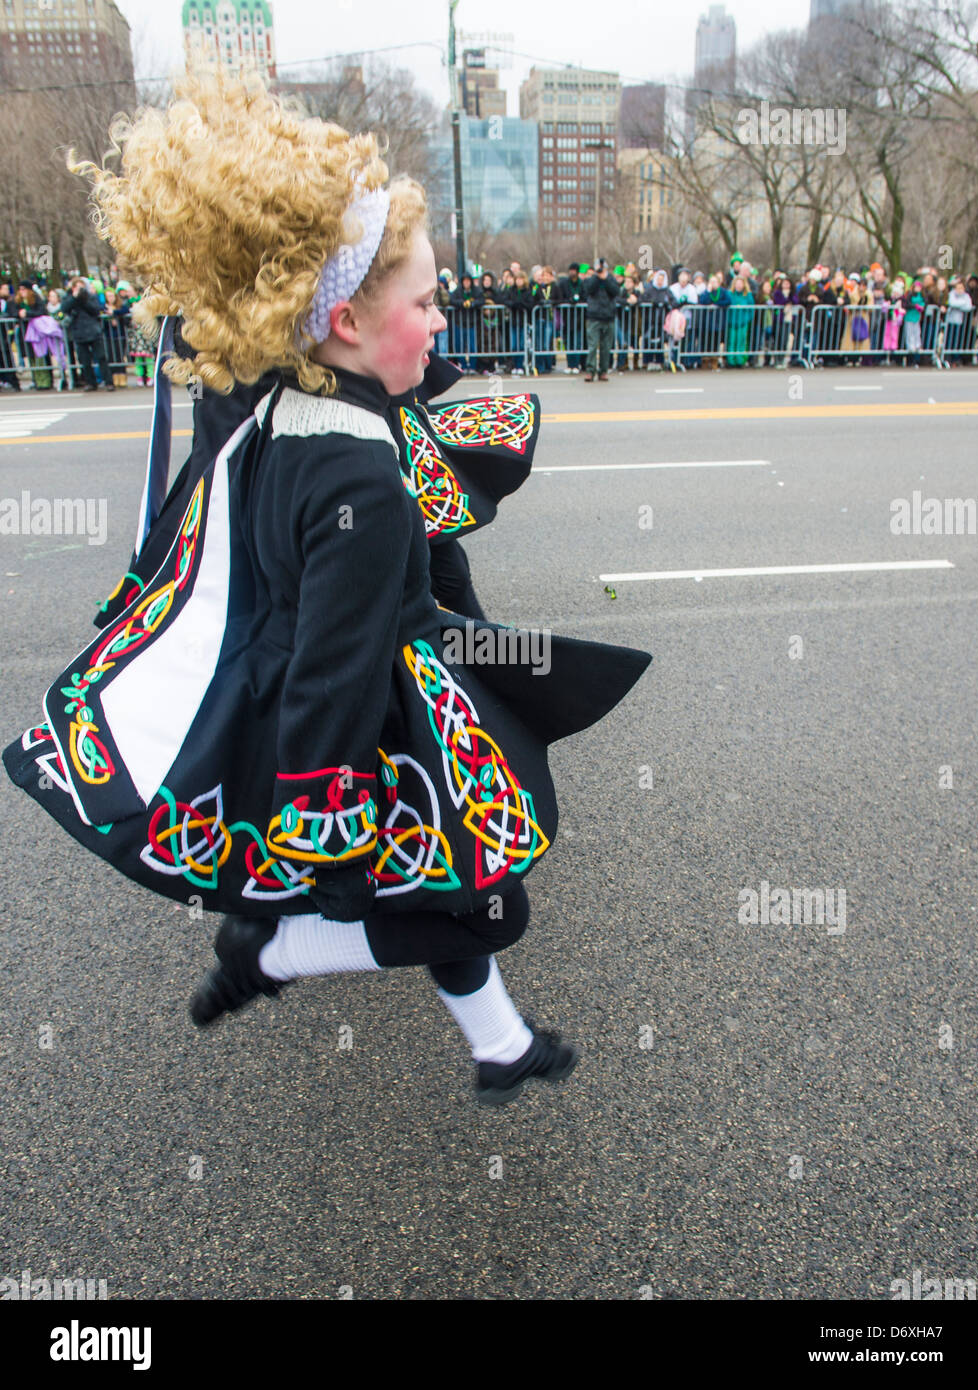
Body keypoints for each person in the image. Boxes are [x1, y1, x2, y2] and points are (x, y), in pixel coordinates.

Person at [3, 68, 651, 1106]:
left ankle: (498, 1044)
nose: (445, 322)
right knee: (485, 905)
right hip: (360, 732)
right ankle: (281, 955)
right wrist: (329, 828)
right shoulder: (363, 476)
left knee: (463, 884)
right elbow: (336, 667)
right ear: (344, 320)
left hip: (324, 710)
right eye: (428, 301)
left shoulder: (278, 418)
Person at [60, 276, 115, 391]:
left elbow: (95, 310)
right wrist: (75, 298)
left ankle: (108, 381)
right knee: (84, 360)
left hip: (93, 330)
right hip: (79, 332)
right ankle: (90, 382)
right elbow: (64, 308)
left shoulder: (90, 297)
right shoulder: (69, 298)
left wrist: (83, 300)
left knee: (101, 357)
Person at [583, 257, 619, 380]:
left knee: (606, 347)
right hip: (594, 317)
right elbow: (589, 290)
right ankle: (590, 370)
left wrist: (605, 279)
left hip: (608, 316)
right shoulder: (591, 279)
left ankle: (603, 370)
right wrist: (597, 277)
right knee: (592, 346)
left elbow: (615, 291)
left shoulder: (611, 279)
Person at [557, 262, 586, 372]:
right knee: (568, 342)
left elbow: (585, 298)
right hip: (567, 318)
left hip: (578, 318)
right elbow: (560, 299)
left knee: (577, 342)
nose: (572, 272)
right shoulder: (564, 283)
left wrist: (578, 301)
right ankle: (570, 364)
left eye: (574, 271)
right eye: (571, 270)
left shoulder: (582, 284)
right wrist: (568, 301)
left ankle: (576, 365)